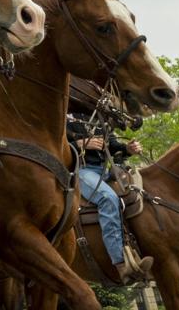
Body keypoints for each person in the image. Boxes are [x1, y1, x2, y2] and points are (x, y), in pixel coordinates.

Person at [66, 112, 152, 281]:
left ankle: (139, 250)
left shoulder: (97, 118)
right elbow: (54, 146)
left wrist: (127, 148)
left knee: (139, 193)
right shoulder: (63, 116)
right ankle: (121, 264)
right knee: (108, 198)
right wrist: (79, 144)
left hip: (105, 170)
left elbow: (112, 145)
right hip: (80, 171)